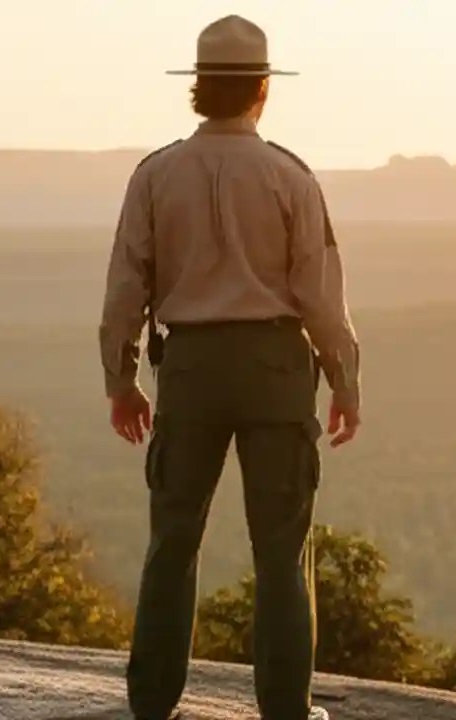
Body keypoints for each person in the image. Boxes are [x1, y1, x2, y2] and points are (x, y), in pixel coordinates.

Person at [97, 14, 361, 720]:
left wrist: (121, 383)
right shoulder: (290, 176)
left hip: (188, 369)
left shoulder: (155, 174)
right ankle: (285, 709)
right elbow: (319, 295)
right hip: (276, 369)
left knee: (173, 540)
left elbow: (126, 289)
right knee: (281, 551)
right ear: (263, 89)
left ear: (198, 88)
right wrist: (345, 380)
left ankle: (152, 702)